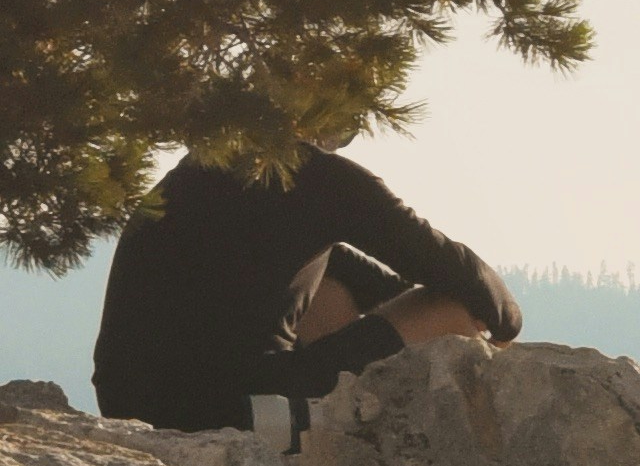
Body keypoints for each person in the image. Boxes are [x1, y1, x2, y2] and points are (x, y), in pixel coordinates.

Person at [94, 141, 521, 439]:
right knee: (450, 310)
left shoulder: (197, 172)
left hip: (132, 406)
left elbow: (347, 271)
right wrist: (504, 329)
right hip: (231, 421)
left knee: (332, 285)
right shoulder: (320, 176)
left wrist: (391, 307)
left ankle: (331, 415)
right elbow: (466, 281)